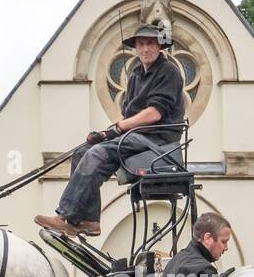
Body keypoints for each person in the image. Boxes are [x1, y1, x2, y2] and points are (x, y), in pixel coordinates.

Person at [34, 24, 185, 238]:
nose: (145, 49)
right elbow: (127, 117)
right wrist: (107, 133)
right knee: (83, 152)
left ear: (160, 45)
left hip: (158, 140)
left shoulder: (167, 71)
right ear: (135, 48)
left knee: (96, 154)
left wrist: (118, 128)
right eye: (141, 44)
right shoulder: (135, 75)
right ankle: (89, 220)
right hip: (136, 137)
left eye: (150, 43)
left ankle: (66, 216)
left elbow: (154, 114)